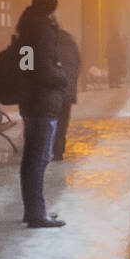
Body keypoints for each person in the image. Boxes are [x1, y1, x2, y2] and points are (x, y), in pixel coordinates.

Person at [16, 0, 68, 228]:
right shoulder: (43, 31)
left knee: (31, 159)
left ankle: (34, 210)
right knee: (39, 159)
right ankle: (37, 214)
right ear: (51, 10)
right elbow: (44, 71)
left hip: (30, 100)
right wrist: (62, 76)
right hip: (42, 102)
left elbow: (27, 68)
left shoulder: (26, 28)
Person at [53, 26, 81, 160]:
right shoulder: (69, 39)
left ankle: (47, 150)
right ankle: (58, 150)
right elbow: (78, 63)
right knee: (62, 121)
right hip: (67, 89)